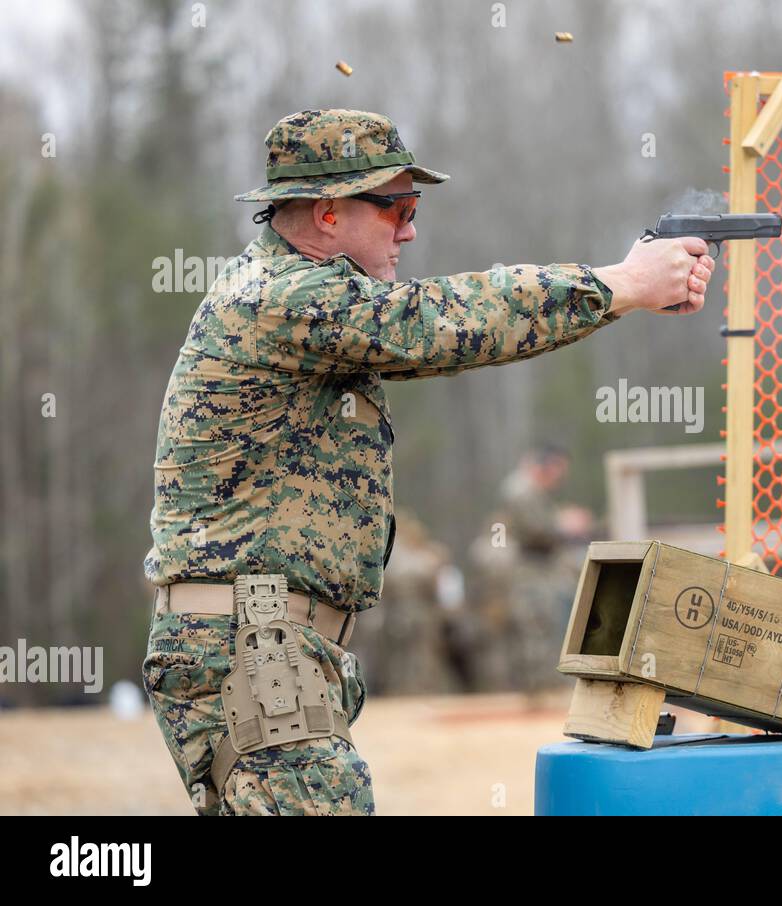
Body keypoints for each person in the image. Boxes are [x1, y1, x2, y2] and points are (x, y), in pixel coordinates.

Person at [140, 108, 715, 815]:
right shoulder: (287, 298)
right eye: (396, 208)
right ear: (325, 214)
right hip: (251, 649)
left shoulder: (285, 295)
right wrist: (622, 284)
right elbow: (444, 322)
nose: (410, 230)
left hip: (265, 648)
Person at [495, 445, 592, 696]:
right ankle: (539, 688)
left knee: (543, 626)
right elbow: (536, 532)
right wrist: (565, 525)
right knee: (536, 627)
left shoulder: (527, 491)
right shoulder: (523, 491)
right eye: (556, 473)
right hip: (531, 570)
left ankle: (541, 687)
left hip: (537, 568)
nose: (557, 480)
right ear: (546, 467)